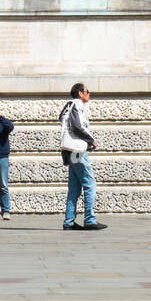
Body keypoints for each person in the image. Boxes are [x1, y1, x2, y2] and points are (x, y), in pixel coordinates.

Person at [60, 83, 107, 231]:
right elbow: (77, 126)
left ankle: (69, 221)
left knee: (74, 187)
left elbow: (62, 120)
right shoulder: (77, 105)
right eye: (88, 91)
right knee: (90, 184)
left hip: (70, 150)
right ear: (80, 93)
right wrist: (91, 140)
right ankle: (89, 220)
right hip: (78, 150)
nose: (89, 94)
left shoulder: (68, 106)